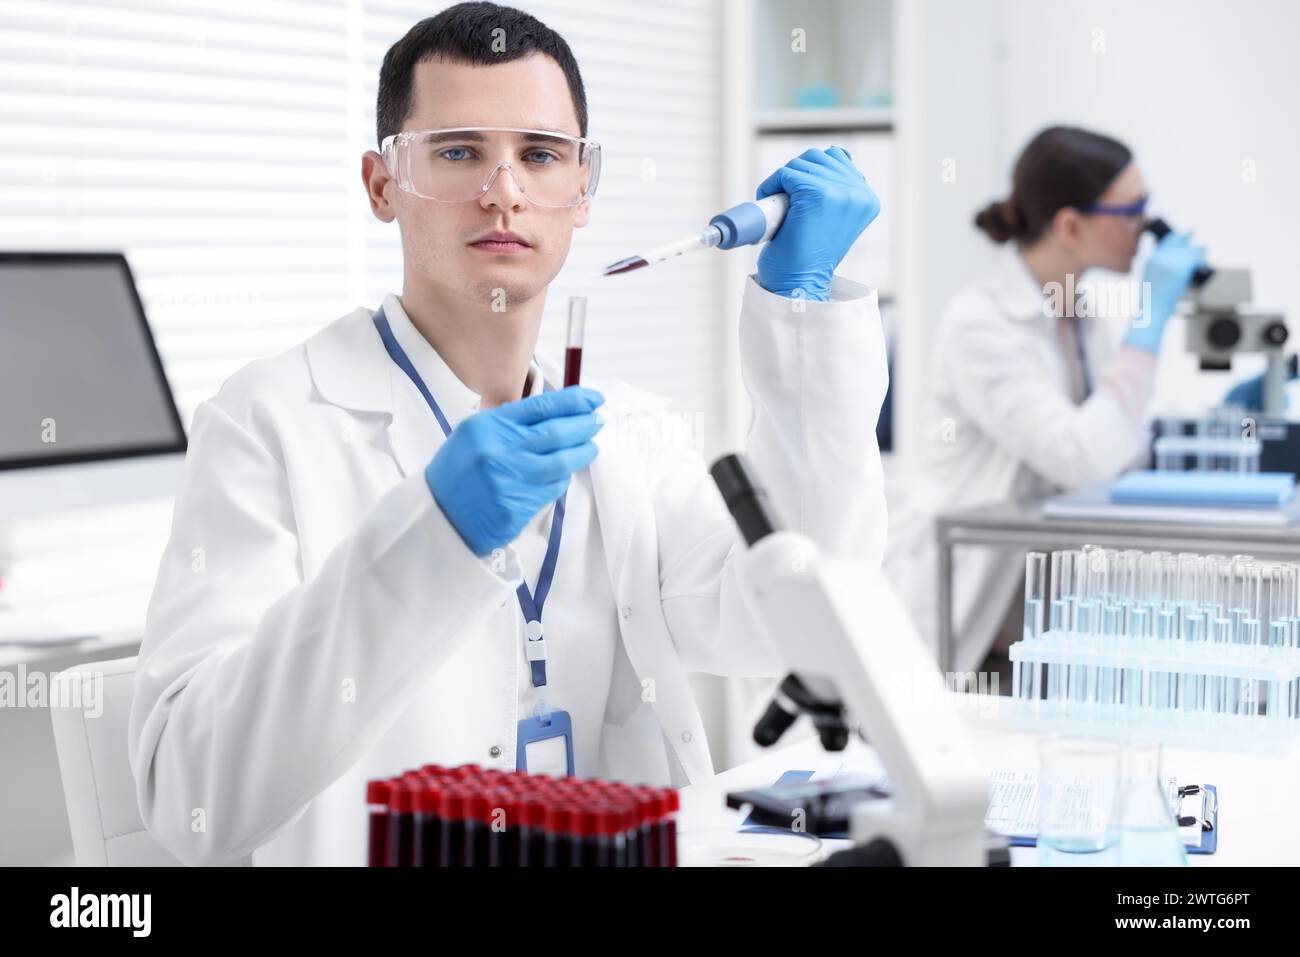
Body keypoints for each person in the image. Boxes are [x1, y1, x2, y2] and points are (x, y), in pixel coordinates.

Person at [127, 2, 888, 865]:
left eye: (539, 154)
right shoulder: (272, 421)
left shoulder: (625, 434)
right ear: (382, 185)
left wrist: (803, 314)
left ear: (582, 192)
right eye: (458, 152)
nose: (504, 189)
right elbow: (190, 794)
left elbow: (796, 614)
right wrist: (428, 538)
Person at [884, 126, 1206, 678]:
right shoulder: (981, 325)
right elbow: (1079, 456)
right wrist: (1148, 322)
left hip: (1040, 630)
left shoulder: (1080, 317)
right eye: (1133, 210)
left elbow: (1116, 449)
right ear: (1071, 225)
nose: (1145, 228)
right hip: (965, 627)